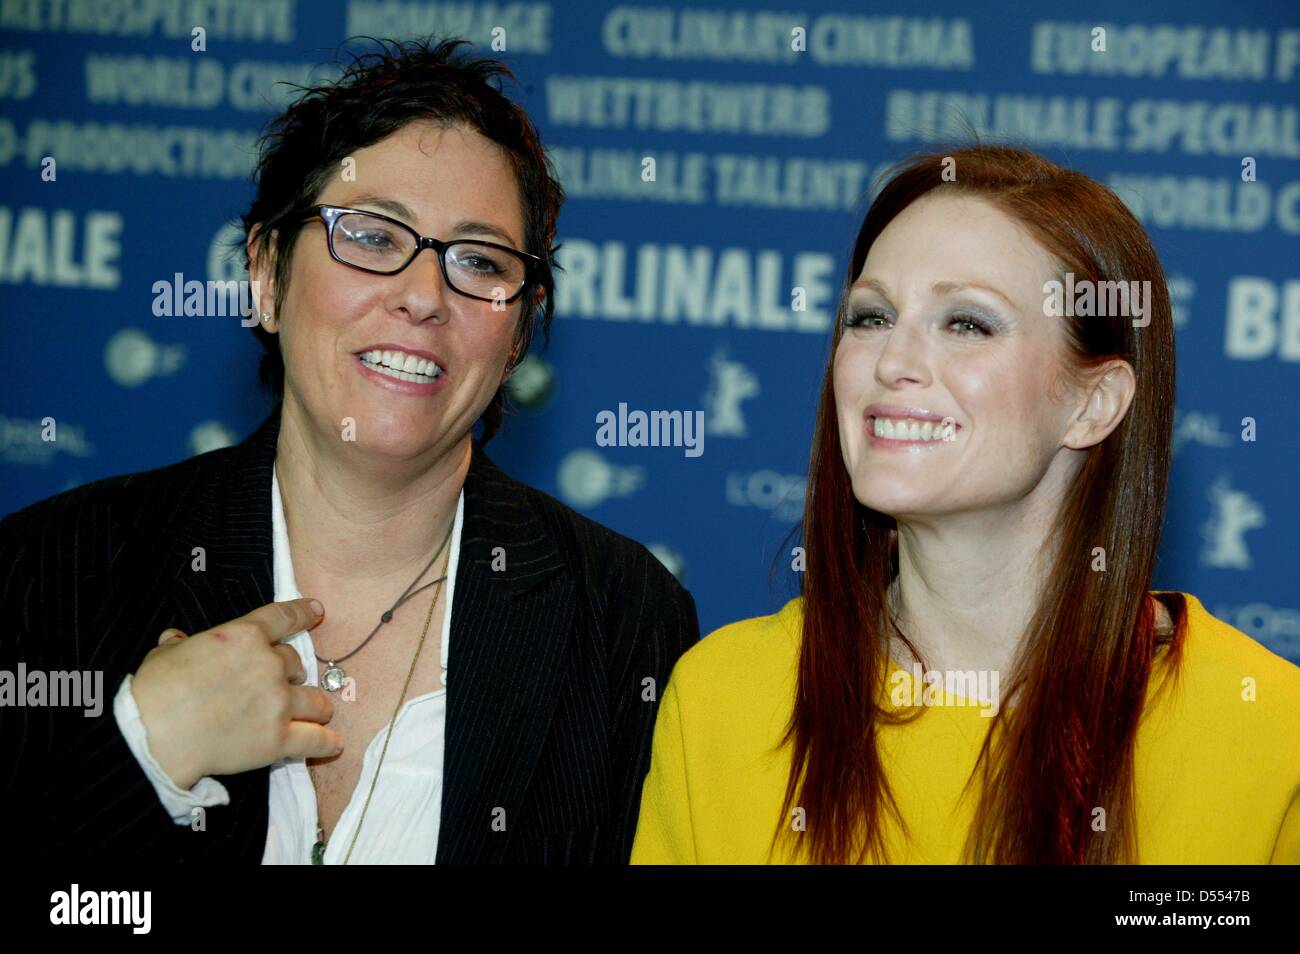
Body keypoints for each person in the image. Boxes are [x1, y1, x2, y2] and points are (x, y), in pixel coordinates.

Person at [1, 37, 698, 864]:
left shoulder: (624, 620)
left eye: (479, 261)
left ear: (516, 334)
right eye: (371, 237)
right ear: (266, 274)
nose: (421, 297)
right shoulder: (52, 573)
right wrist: (147, 752)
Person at [631, 145, 1300, 864]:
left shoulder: (1264, 725)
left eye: (968, 324)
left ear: (1094, 403)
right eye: (870, 317)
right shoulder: (724, 698)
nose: (892, 362)